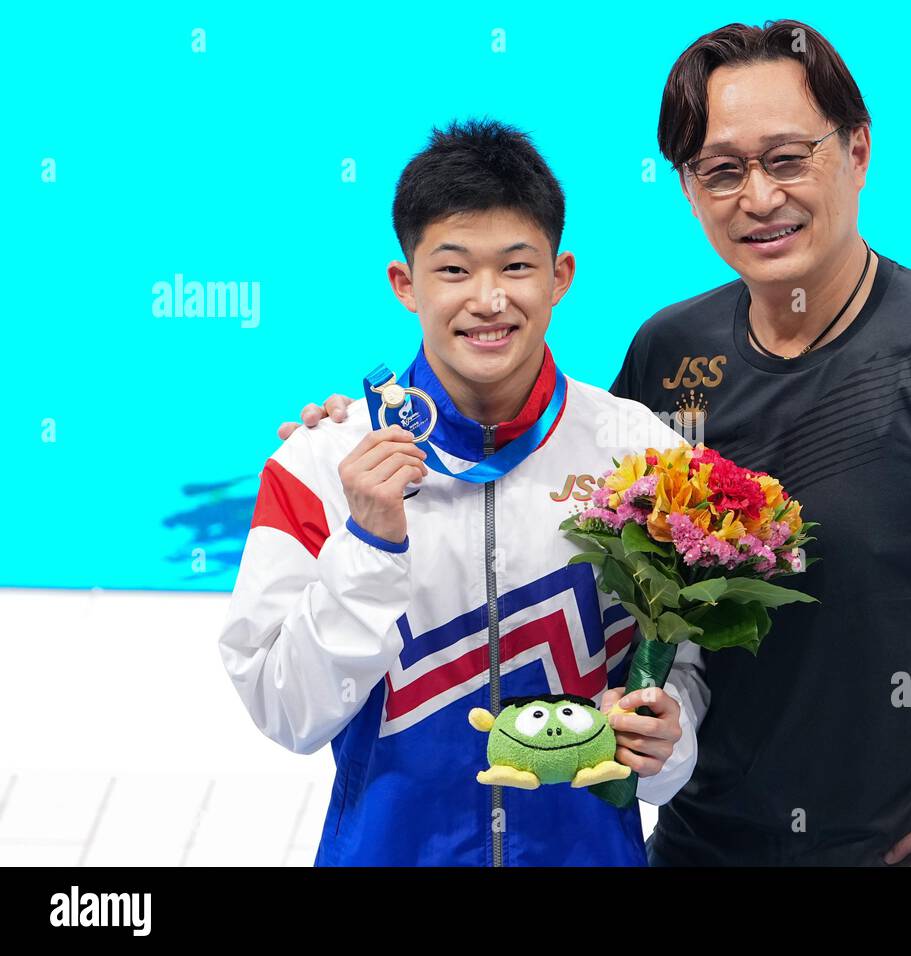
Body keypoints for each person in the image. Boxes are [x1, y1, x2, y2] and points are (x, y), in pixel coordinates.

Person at [283, 20, 911, 867]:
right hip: (697, 842)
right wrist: (371, 427)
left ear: (858, 151)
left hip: (898, 848)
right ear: (686, 186)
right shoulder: (671, 352)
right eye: (721, 170)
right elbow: (554, 481)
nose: (759, 197)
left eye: (789, 159)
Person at [219, 118, 705, 866]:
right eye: (453, 270)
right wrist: (370, 545)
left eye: (516, 267)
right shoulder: (318, 467)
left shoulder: (640, 456)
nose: (488, 300)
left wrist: (668, 742)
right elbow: (285, 711)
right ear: (404, 283)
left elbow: (685, 679)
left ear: (560, 276)